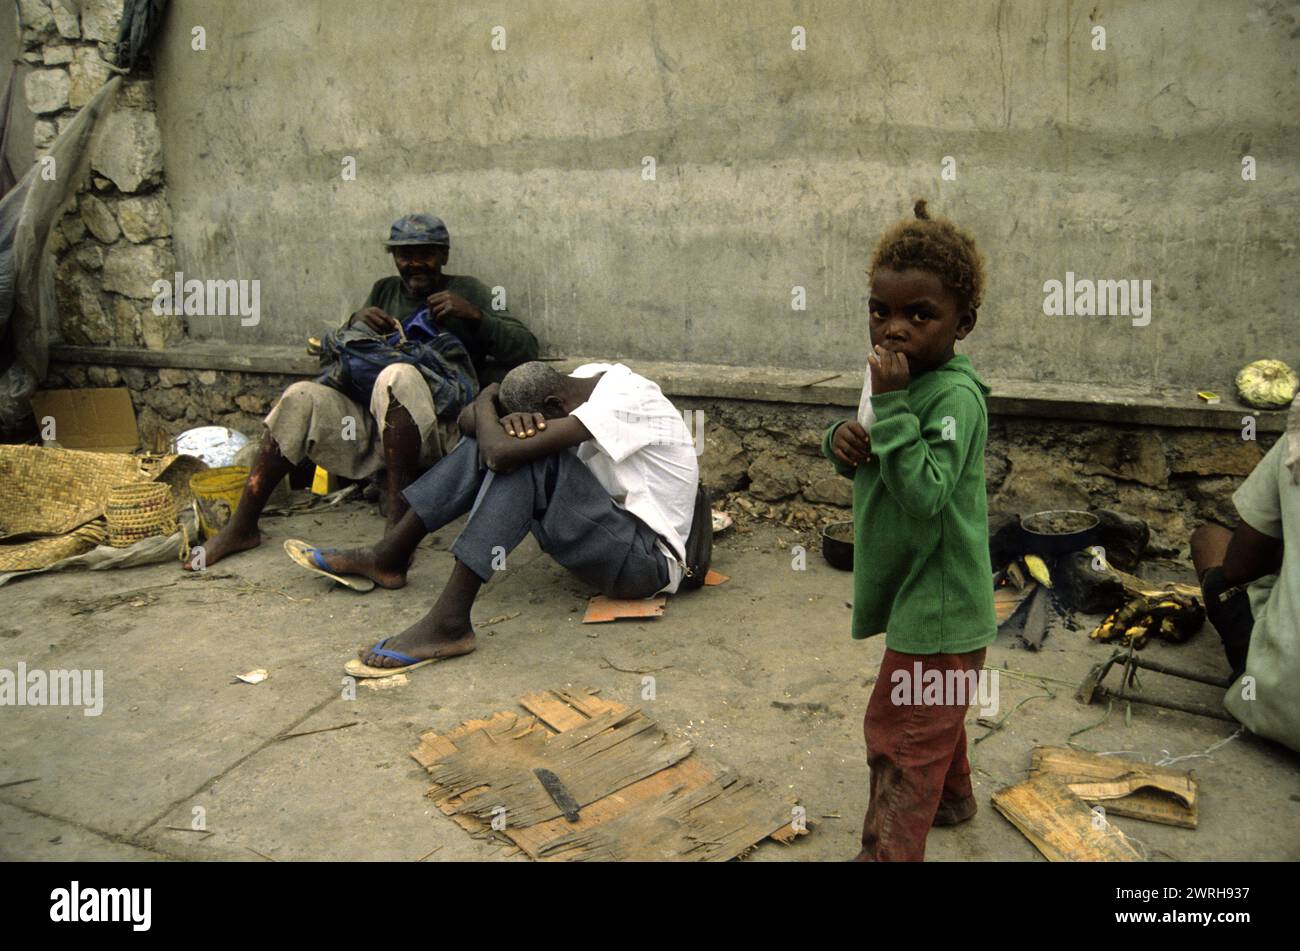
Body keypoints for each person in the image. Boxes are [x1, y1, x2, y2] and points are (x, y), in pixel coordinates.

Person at [292, 361, 700, 673]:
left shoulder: (628, 401)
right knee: (494, 442)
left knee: (525, 459)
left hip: (647, 564)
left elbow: (502, 454)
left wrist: (486, 402)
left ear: (554, 406)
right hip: (606, 536)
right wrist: (492, 413)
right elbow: (477, 432)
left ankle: (450, 622)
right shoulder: (585, 379)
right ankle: (390, 554)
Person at [188, 213, 539, 568]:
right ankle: (243, 525)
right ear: (394, 259)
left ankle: (395, 537)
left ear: (444, 256)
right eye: (405, 255)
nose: (415, 262)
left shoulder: (467, 289)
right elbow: (348, 355)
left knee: (399, 374)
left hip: (439, 432)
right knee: (300, 396)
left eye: (426, 253)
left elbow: (526, 348)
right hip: (373, 427)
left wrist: (476, 315)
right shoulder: (384, 290)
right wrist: (355, 321)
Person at [822, 200, 995, 861]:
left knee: (901, 731)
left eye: (919, 315)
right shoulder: (891, 379)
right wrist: (836, 442)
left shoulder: (952, 397)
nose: (894, 329)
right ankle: (952, 798)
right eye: (880, 311)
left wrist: (892, 408)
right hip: (918, 593)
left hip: (943, 602)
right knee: (932, 719)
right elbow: (873, 452)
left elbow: (923, 493)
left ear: (962, 322)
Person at [1191, 394, 1298, 753]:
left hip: (1286, 707)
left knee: (1209, 539)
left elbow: (1240, 567)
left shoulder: (1295, 437)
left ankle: (1260, 681)